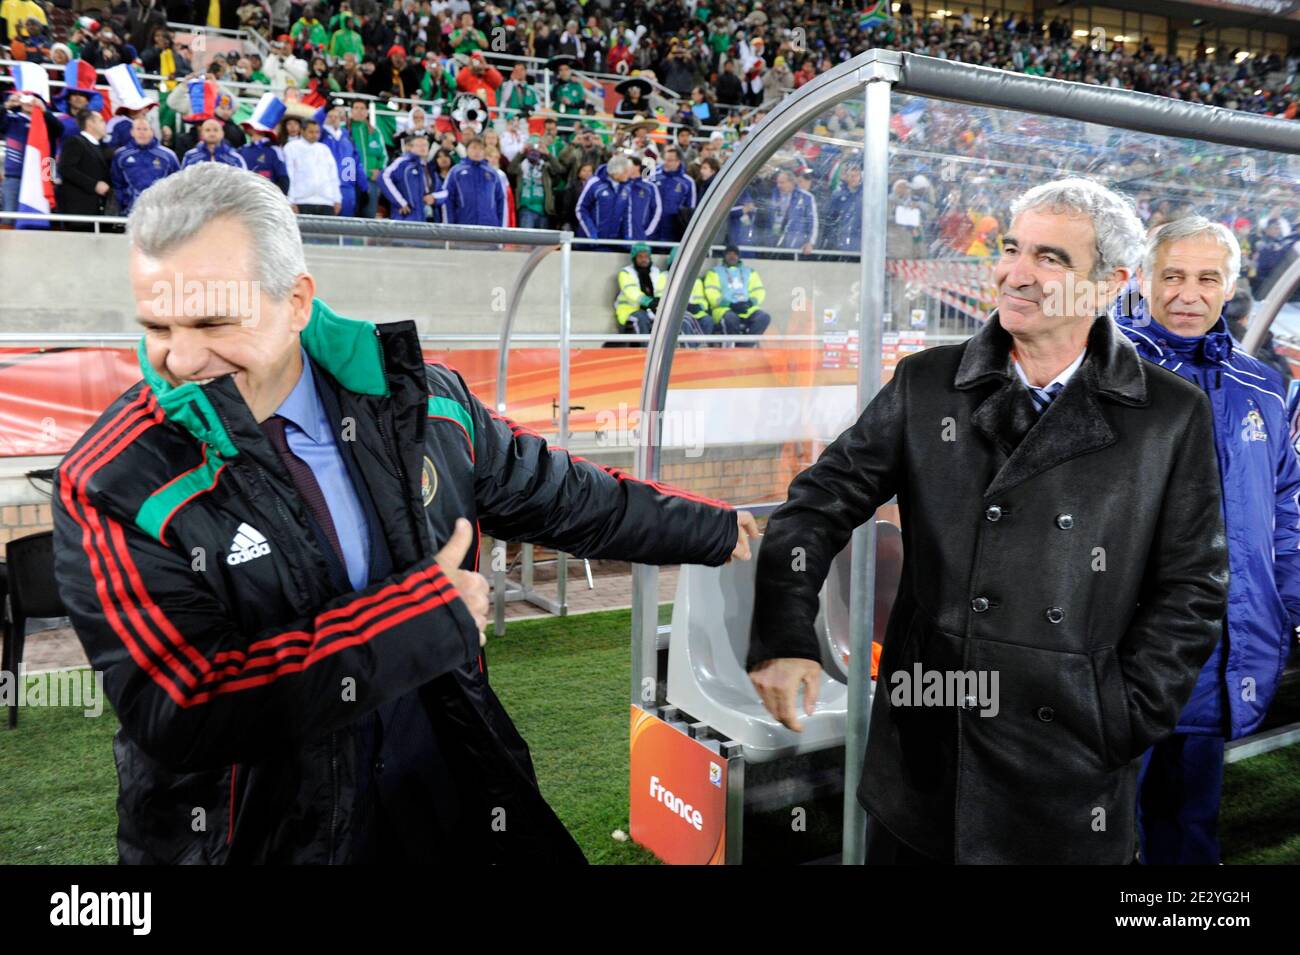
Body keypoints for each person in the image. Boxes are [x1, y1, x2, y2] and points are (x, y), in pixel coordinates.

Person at [51, 163, 757, 864]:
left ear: (296, 302)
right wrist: (413, 624)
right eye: (157, 324)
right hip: (268, 835)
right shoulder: (113, 477)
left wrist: (715, 528)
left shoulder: (421, 401)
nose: (180, 357)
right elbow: (187, 706)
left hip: (446, 777)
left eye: (211, 320)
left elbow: (565, 495)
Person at [745, 178, 1229, 864]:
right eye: (1010, 248)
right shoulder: (927, 383)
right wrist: (786, 631)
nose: (1014, 272)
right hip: (927, 757)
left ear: (1107, 284)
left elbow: (1194, 584)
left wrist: (1122, 713)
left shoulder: (1169, 414)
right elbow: (816, 505)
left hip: (1070, 774)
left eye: (1050, 258)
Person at [1115, 216, 1300, 865]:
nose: (1188, 294)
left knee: (1189, 827)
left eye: (1206, 278)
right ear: (1143, 280)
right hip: (1113, 659)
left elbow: (1286, 514)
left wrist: (1293, 606)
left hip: (1217, 654)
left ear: (1230, 287)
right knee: (1093, 832)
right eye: (1172, 276)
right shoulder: (1097, 377)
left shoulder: (1262, 387)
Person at [111, 115, 181, 214]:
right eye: (138, 129)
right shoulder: (121, 155)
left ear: (152, 132)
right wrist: (125, 201)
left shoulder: (168, 155)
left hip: (161, 212)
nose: (141, 132)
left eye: (145, 129)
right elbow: (117, 183)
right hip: (131, 212)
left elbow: (177, 183)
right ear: (132, 132)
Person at [57, 109, 112, 229]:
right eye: (101, 121)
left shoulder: (102, 147)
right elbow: (66, 169)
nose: (105, 124)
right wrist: (94, 185)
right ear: (90, 123)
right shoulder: (75, 142)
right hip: (79, 212)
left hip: (97, 212)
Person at [704, 244, 771, 340]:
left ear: (739, 256)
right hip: (724, 309)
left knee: (764, 317)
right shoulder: (715, 272)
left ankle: (745, 346)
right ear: (724, 256)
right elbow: (712, 293)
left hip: (747, 308)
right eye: (729, 254)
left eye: (735, 254)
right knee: (731, 319)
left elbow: (758, 290)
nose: (732, 256)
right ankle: (733, 348)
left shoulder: (749, 271)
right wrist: (729, 304)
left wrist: (751, 302)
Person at [444, 135, 508, 227]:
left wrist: (500, 227)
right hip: (463, 226)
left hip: (489, 226)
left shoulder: (493, 173)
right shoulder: (456, 172)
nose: (477, 151)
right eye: (474, 148)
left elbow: (500, 201)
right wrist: (450, 227)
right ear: (467, 150)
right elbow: (448, 199)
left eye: (481, 148)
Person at [283, 118, 341, 215]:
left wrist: (337, 199)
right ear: (302, 131)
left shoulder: (324, 149)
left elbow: (333, 176)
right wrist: (291, 200)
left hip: (326, 201)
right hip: (301, 201)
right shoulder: (291, 147)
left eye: (317, 132)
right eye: (311, 132)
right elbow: (289, 175)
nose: (315, 135)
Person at [320, 101, 366, 217]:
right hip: (326, 186)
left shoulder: (348, 138)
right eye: (330, 116)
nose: (334, 119)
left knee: (347, 224)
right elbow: (314, 122)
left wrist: (364, 186)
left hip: (347, 186)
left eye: (337, 116)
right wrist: (322, 112)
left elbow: (356, 163)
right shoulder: (321, 136)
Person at [507, 135, 563, 230]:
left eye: (537, 148)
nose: (534, 151)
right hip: (526, 209)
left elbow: (559, 170)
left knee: (542, 243)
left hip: (544, 210)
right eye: (531, 148)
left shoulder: (545, 167)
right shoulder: (521, 167)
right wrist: (521, 153)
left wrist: (548, 154)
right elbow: (510, 169)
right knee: (527, 241)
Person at [379, 130, 436, 222]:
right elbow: (383, 177)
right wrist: (400, 202)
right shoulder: (403, 162)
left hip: (422, 216)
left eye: (425, 145)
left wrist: (434, 198)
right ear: (409, 147)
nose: (423, 148)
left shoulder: (427, 166)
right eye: (419, 145)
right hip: (404, 216)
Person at [576, 153, 632, 245]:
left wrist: (627, 235)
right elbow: (581, 209)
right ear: (616, 173)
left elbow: (627, 213)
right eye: (625, 172)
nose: (628, 175)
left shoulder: (626, 187)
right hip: (592, 243)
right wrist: (591, 233)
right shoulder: (595, 183)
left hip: (614, 243)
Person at [615, 242, 665, 337]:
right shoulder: (625, 272)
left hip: (652, 311)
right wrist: (647, 301)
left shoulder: (657, 272)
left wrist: (659, 301)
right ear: (634, 258)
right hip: (629, 311)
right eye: (640, 257)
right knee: (642, 318)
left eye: (646, 256)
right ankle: (645, 350)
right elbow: (631, 291)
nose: (644, 259)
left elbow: (661, 290)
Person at [764, 168, 818, 252]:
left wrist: (810, 242)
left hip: (796, 245)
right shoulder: (772, 194)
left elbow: (813, 221)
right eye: (777, 182)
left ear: (792, 182)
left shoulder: (806, 197)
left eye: (782, 183)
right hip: (773, 242)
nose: (778, 185)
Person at [651, 146, 696, 242]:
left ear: (678, 161)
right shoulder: (653, 177)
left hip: (674, 230)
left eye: (670, 160)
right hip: (654, 229)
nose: (666, 163)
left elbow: (690, 209)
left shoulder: (688, 182)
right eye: (665, 159)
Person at [182, 118, 248, 169]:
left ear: (222, 133)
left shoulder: (235, 158)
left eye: (216, 130)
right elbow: (182, 180)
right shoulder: (190, 156)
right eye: (208, 130)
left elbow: (244, 182)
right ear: (201, 134)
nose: (212, 133)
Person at [825, 162, 863, 252]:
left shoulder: (866, 194)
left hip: (861, 242)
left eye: (856, 176)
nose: (854, 178)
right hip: (841, 241)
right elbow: (831, 218)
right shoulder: (837, 195)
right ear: (846, 177)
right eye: (851, 176)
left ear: (860, 177)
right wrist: (833, 240)